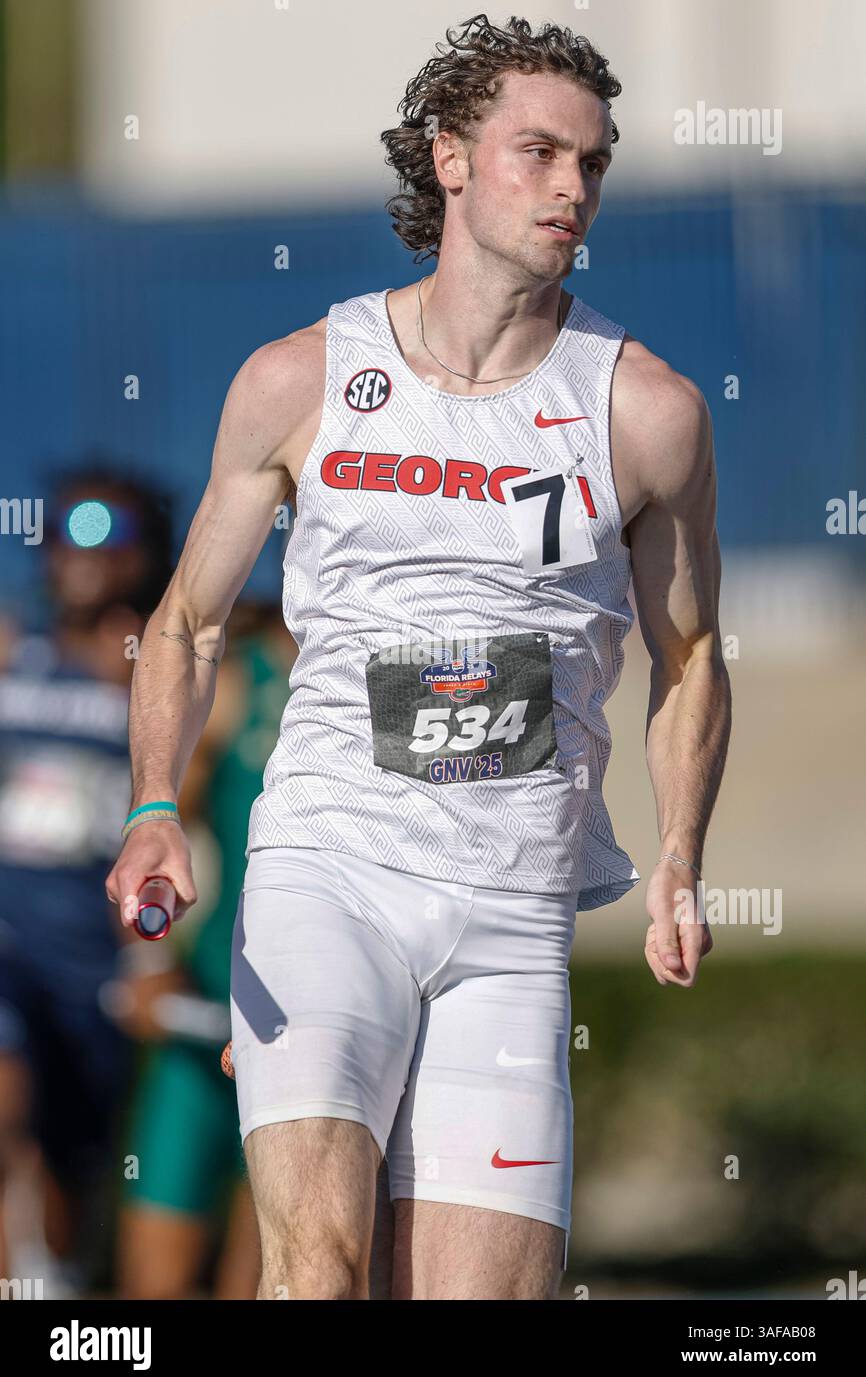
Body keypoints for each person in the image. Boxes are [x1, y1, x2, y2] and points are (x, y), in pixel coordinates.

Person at [106, 15, 732, 1301]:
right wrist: (157, 805)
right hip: (328, 868)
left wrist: (677, 858)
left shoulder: (644, 409)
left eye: (593, 163)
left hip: (511, 906)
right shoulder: (301, 379)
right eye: (539, 152)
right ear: (448, 158)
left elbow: (691, 652)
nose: (572, 188)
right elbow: (183, 621)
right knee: (316, 1276)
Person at [0, 465, 172, 1294]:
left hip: (92, 958)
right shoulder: (9, 653)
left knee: (70, 1155)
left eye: (113, 535)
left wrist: (146, 962)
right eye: (68, 531)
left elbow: (190, 826)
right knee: (6, 1095)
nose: (86, 553)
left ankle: (52, 1283)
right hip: (9, 940)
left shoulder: (155, 677)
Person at [114, 600, 296, 1299]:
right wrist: (148, 963)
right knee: (151, 1283)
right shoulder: (242, 684)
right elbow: (153, 837)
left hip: (309, 1017)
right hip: (207, 1008)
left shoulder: (388, 677)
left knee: (277, 1270)